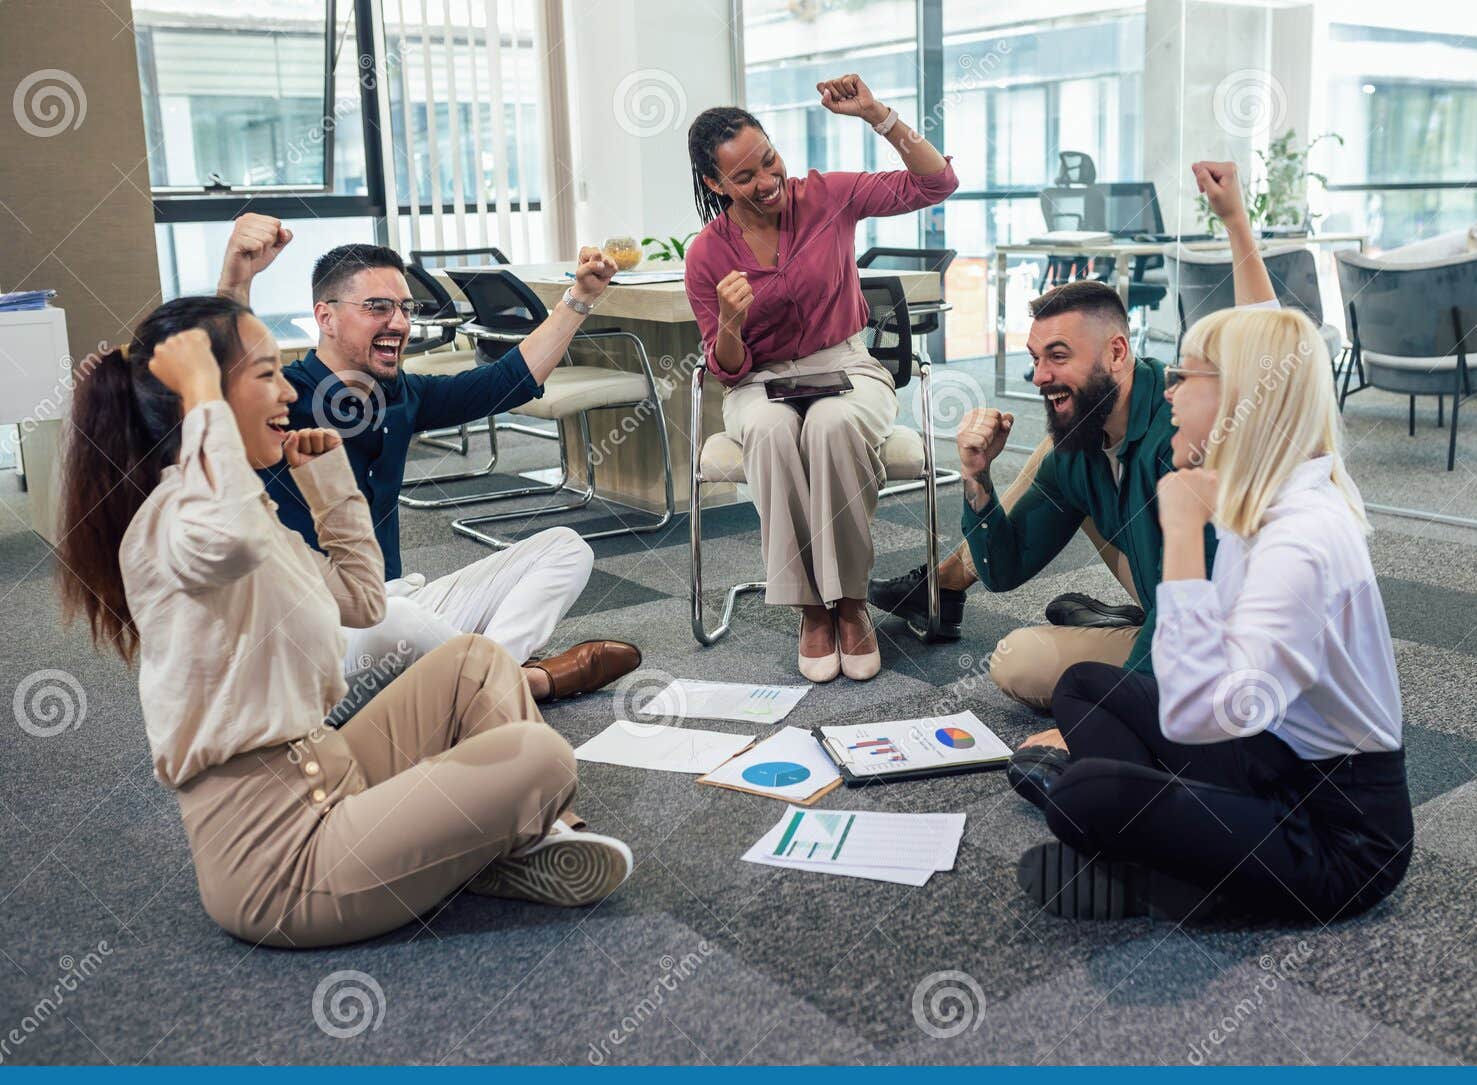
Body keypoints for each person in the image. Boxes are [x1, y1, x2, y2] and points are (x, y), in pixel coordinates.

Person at [54, 295, 634, 948]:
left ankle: (520, 839)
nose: (286, 390)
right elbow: (232, 539)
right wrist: (203, 397)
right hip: (281, 871)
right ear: (204, 404)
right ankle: (504, 836)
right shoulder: (173, 520)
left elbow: (362, 600)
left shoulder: (244, 511)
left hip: (333, 777)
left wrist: (325, 480)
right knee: (541, 756)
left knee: (474, 661)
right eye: (266, 373)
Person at [1012, 296, 1412, 923]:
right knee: (1085, 686)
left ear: (1238, 401)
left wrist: (1180, 536)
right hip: (1272, 757)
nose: (1167, 393)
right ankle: (1177, 850)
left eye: (1185, 377)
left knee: (1080, 797)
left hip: (1343, 841)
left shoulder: (1298, 544)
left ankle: (1160, 874)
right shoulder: (1262, 494)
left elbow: (1198, 710)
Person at [875, 163, 1272, 711]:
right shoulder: (1082, 441)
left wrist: (1092, 732)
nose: (1038, 377)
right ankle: (1130, 630)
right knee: (1016, 662)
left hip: (1237, 637)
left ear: (1116, 351)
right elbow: (1006, 569)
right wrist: (976, 482)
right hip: (1165, 596)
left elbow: (1266, 351)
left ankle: (1141, 654)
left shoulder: (1182, 438)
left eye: (1058, 357)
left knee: (1080, 672)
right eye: (1036, 359)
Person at [216, 218, 640, 703]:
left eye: (404, 307)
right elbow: (228, 383)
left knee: (565, 548)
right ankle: (519, 682)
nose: (398, 322)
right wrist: (236, 281)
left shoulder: (401, 394)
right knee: (398, 618)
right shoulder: (283, 397)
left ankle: (482, 681)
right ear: (326, 317)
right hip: (310, 644)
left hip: (394, 611)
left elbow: (507, 381)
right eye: (376, 307)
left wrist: (581, 298)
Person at [683, 74, 958, 682]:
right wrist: (729, 322)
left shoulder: (828, 196)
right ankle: (811, 609)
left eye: (769, 160)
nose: (767, 181)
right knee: (776, 433)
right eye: (745, 177)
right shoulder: (707, 253)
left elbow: (937, 183)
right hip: (758, 382)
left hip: (846, 364)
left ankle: (851, 603)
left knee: (833, 423)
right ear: (715, 183)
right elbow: (727, 368)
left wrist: (877, 115)